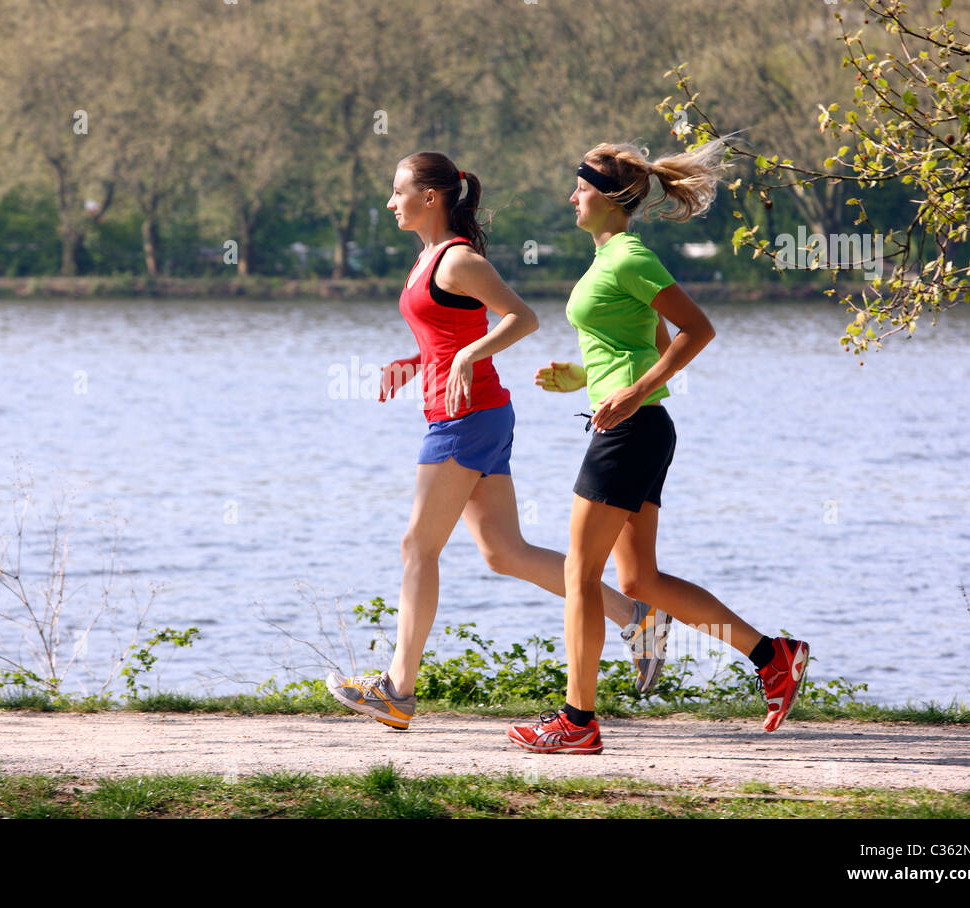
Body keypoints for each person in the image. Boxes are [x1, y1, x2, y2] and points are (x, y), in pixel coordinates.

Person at [326, 151, 672, 731]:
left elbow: (521, 317)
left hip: (466, 419)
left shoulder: (458, 259)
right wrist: (416, 362)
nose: (390, 202)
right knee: (503, 552)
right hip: (468, 413)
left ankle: (397, 690)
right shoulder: (427, 258)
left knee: (417, 546)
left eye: (398, 191)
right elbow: (450, 331)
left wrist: (466, 355)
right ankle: (634, 616)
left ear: (430, 197)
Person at [506, 141, 809, 754]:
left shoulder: (629, 256)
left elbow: (697, 331)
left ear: (611, 198)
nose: (573, 197)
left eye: (581, 188)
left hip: (631, 429)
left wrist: (632, 394)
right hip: (637, 424)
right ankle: (771, 656)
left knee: (579, 572)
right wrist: (585, 378)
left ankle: (576, 721)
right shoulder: (609, 260)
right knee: (636, 577)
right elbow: (652, 337)